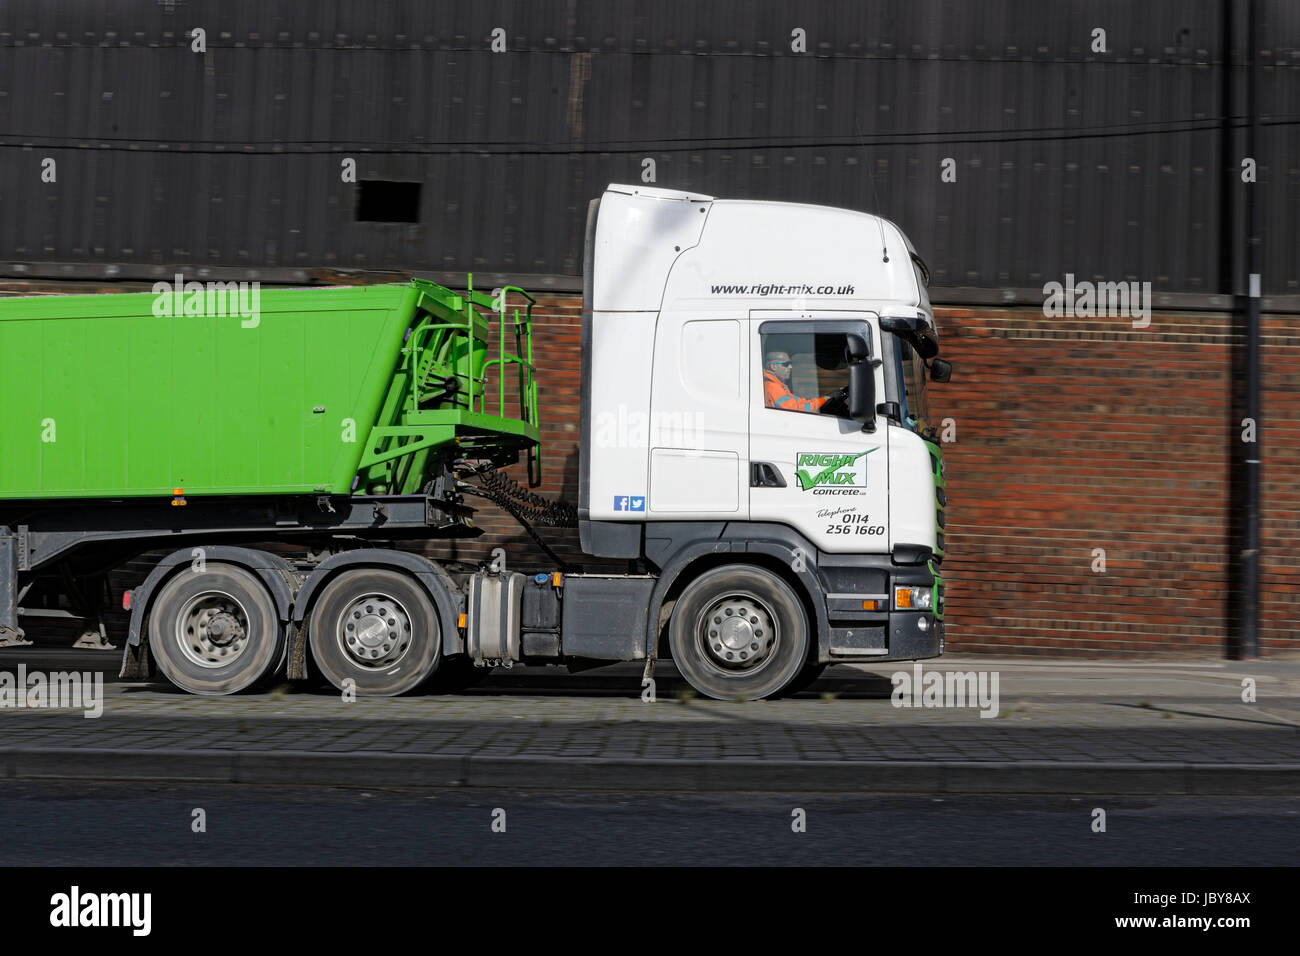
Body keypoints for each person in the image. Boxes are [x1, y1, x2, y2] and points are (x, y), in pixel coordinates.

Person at [763, 350, 838, 412]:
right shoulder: (772, 387)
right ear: (773, 366)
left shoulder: (779, 386)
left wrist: (823, 399)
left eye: (790, 364)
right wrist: (823, 400)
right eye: (786, 364)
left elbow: (799, 402)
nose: (790, 367)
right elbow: (794, 409)